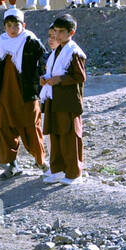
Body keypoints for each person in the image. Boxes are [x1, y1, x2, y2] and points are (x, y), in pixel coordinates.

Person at [0, 6, 48, 179]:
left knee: (31, 126)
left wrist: (42, 81)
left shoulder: (31, 41)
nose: (12, 29)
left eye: (16, 25)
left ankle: (41, 161)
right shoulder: (0, 43)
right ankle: (12, 165)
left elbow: (45, 59)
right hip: (3, 95)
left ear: (23, 24)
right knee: (4, 129)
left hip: (26, 94)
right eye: (8, 25)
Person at [40, 15, 87, 184]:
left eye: (61, 32)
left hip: (68, 101)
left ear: (71, 32)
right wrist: (46, 79)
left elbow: (80, 77)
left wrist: (59, 79)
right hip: (54, 99)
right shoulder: (57, 51)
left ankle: (74, 173)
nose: (57, 35)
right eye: (55, 31)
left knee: (69, 136)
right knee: (56, 135)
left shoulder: (74, 52)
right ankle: (58, 170)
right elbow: (53, 71)